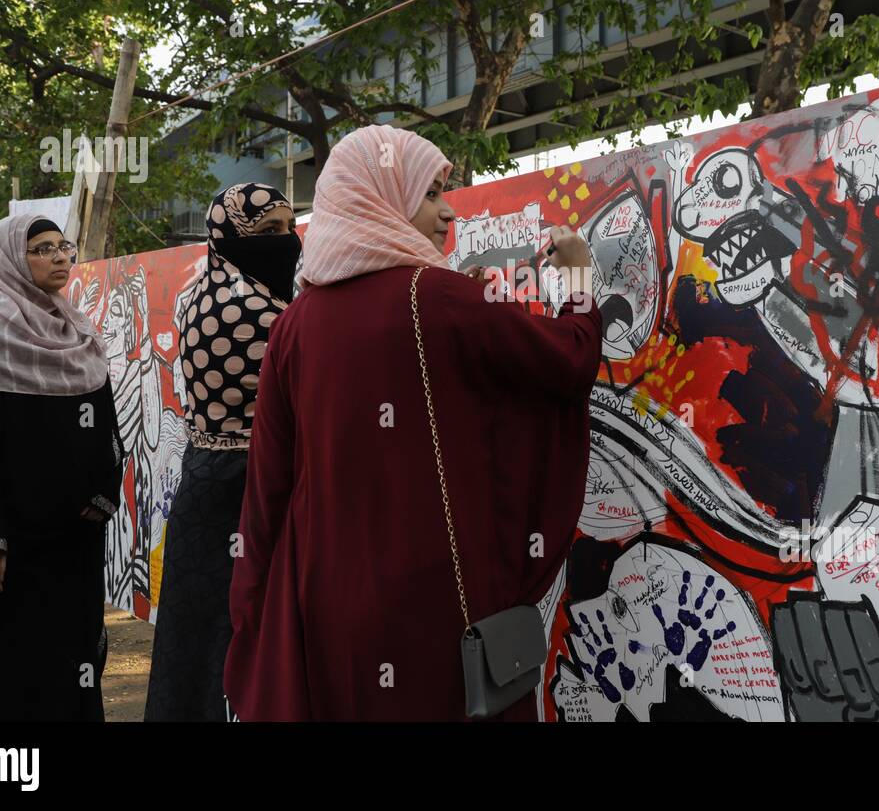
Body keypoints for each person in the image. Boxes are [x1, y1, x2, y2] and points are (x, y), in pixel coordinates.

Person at [224, 124, 603, 721]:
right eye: (429, 194)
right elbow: (568, 359)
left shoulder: (294, 324)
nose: (449, 211)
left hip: (324, 597)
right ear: (381, 198)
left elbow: (267, 483)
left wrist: (254, 606)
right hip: (435, 595)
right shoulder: (441, 298)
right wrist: (578, 278)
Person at [0, 214, 124, 721]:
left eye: (63, 247)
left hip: (71, 539)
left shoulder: (76, 330)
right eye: (41, 249)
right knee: (6, 673)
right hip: (7, 551)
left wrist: (104, 494)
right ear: (10, 259)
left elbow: (106, 429)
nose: (60, 257)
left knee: (74, 665)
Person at [145, 182, 301, 722]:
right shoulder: (265, 312)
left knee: (199, 633)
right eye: (267, 232)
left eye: (287, 228)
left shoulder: (198, 297)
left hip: (206, 477)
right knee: (247, 631)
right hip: (252, 485)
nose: (286, 242)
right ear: (227, 234)